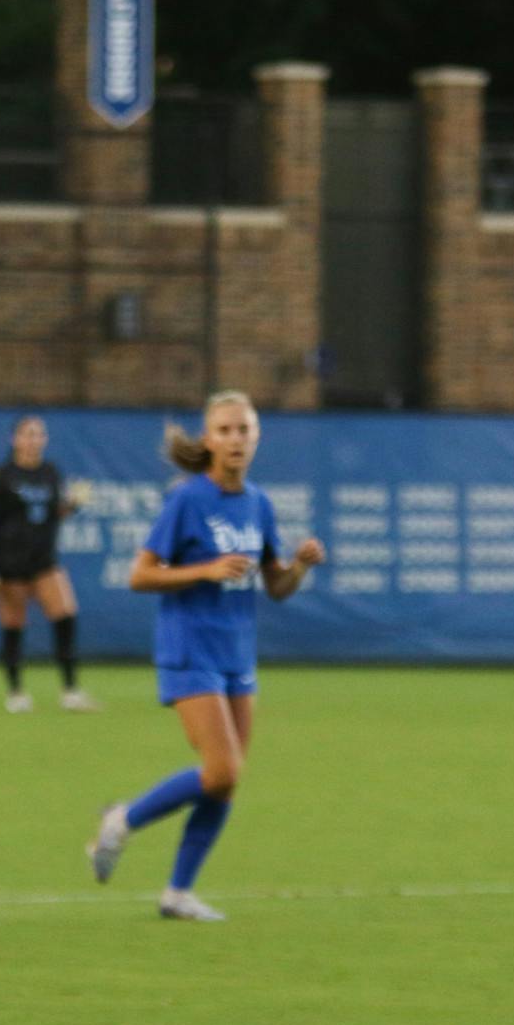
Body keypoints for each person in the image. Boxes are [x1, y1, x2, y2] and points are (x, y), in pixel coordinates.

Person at [87, 391, 324, 921]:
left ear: (257, 437)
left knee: (228, 778)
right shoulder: (188, 499)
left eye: (244, 429)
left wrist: (300, 566)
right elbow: (140, 575)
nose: (235, 439)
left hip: (237, 653)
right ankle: (121, 821)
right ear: (208, 440)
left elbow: (277, 587)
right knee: (220, 771)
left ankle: (177, 893)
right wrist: (205, 570)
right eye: (224, 430)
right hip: (189, 647)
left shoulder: (259, 504)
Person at [0, 414, 99, 714]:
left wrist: (73, 505)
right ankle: (16, 692)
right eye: (27, 434)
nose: (33, 440)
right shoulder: (3, 476)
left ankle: (70, 691)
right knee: (13, 625)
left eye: (38, 434)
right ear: (15, 439)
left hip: (44, 559)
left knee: (65, 616)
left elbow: (53, 513)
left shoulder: (50, 472)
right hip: (10, 561)